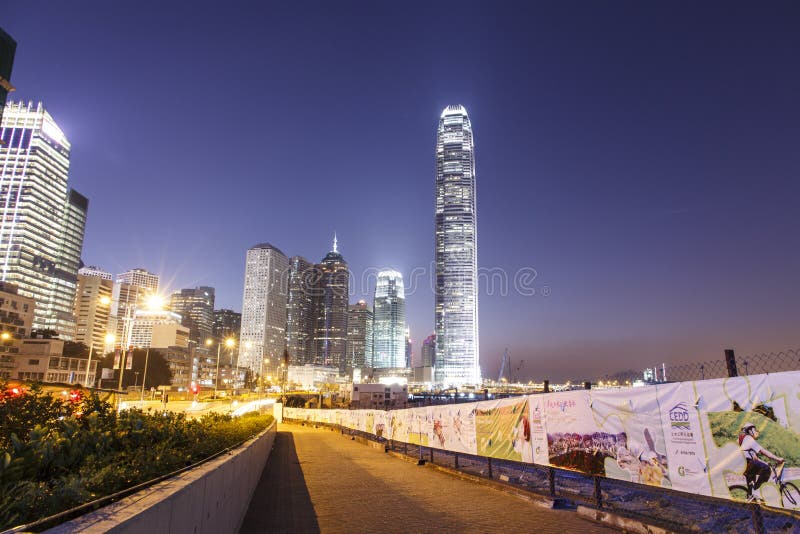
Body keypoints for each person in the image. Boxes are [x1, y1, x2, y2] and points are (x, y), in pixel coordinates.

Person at [739, 422, 784, 503]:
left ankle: (752, 498)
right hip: (747, 463)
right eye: (754, 429)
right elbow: (764, 451)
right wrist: (778, 459)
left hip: (744, 465)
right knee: (767, 470)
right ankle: (756, 491)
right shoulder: (749, 439)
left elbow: (755, 459)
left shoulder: (744, 441)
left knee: (752, 496)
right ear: (749, 431)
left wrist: (765, 463)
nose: (756, 431)